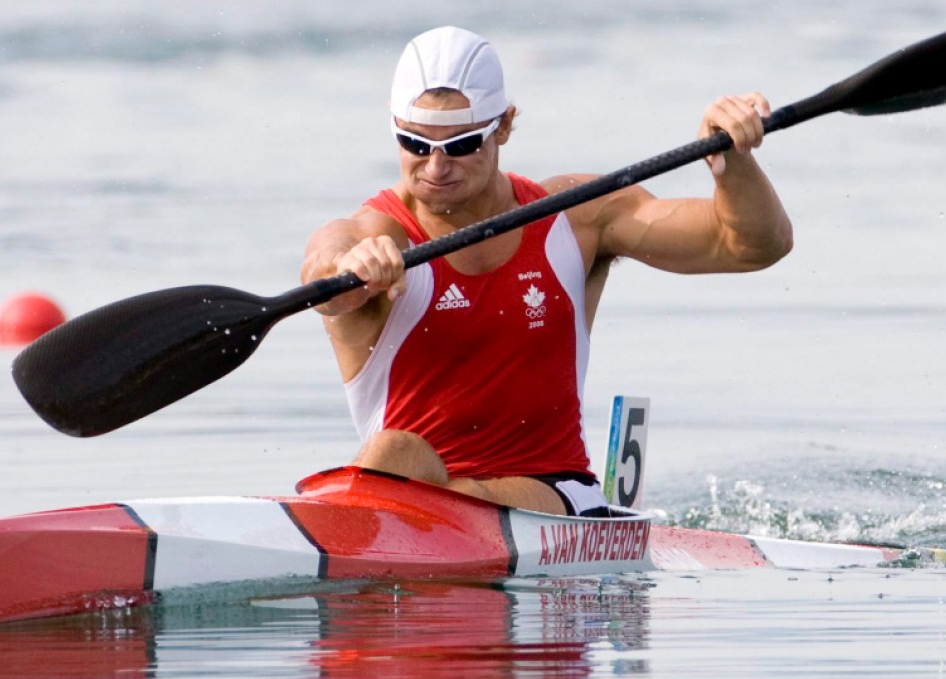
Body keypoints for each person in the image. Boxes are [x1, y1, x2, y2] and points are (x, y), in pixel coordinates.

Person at [301, 26, 792, 516]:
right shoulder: (378, 233)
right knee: (396, 451)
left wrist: (732, 158)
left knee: (425, 476)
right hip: (411, 497)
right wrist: (347, 268)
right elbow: (324, 269)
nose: (435, 166)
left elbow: (750, 246)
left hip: (555, 498)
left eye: (461, 145)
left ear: (505, 126)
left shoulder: (576, 216)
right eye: (414, 142)